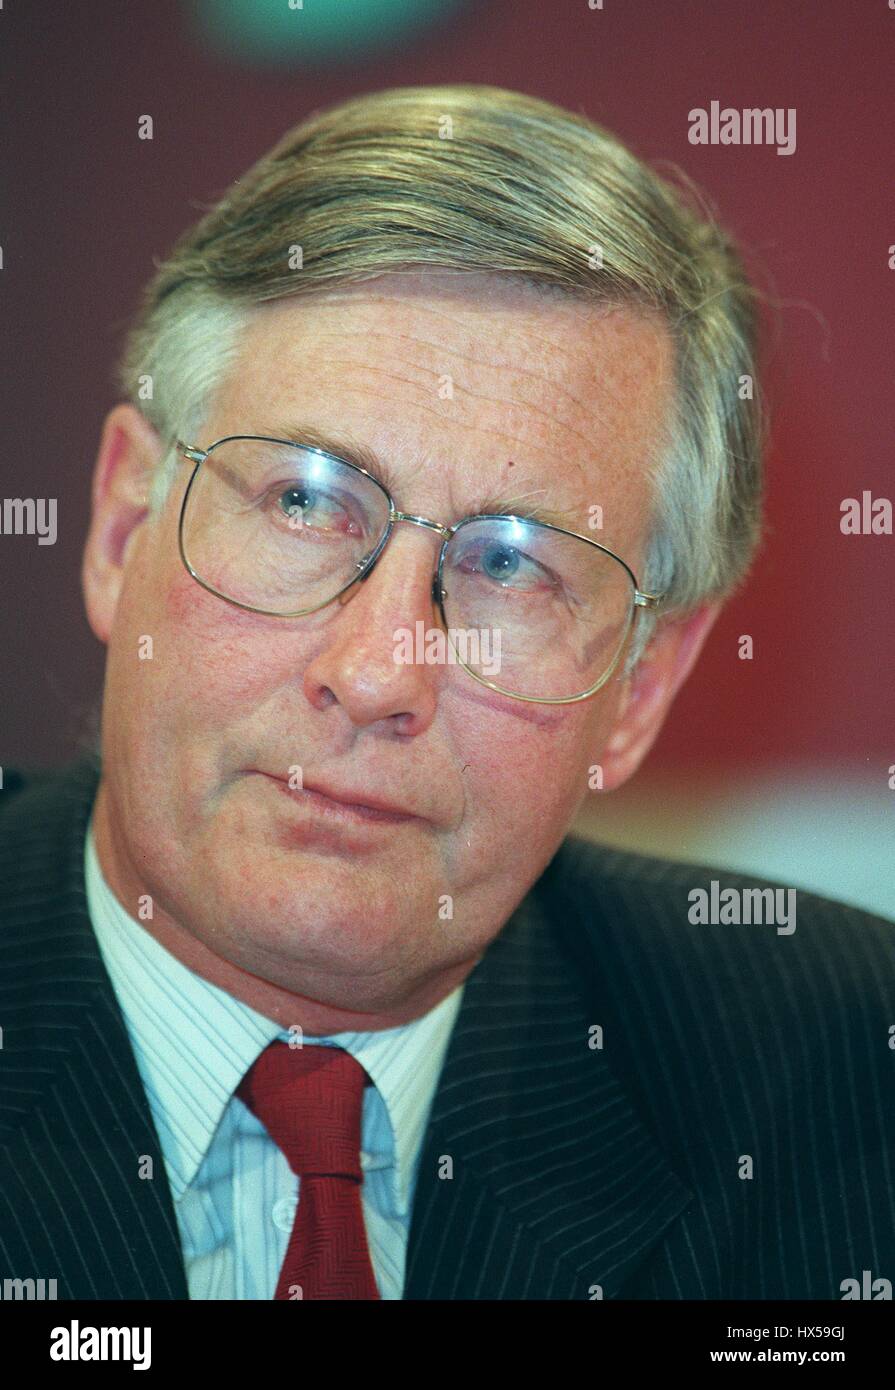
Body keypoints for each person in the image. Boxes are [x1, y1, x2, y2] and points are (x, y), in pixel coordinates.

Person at [1, 84, 892, 1302]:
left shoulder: (846, 1093)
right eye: (307, 502)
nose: (376, 676)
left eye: (511, 567)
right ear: (118, 525)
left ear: (640, 686)